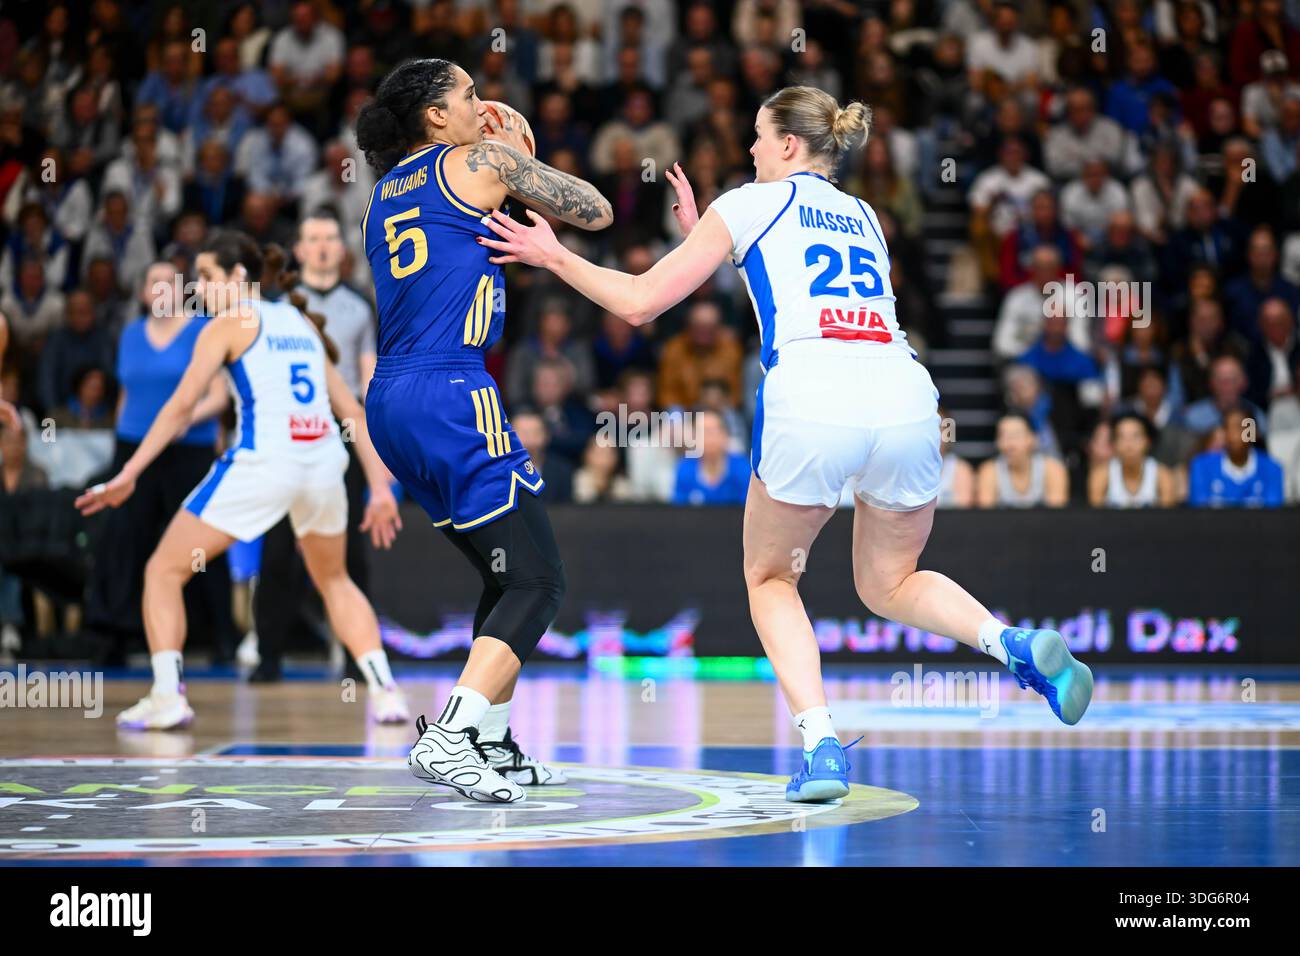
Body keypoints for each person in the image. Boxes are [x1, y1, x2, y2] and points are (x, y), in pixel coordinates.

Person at [480, 85, 1094, 803]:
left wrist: (553, 255)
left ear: (790, 146)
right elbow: (801, 273)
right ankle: (1009, 643)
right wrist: (710, 236)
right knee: (890, 581)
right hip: (905, 395)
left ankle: (822, 746)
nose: (749, 150)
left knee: (772, 580)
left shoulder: (744, 201)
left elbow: (641, 302)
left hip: (812, 395)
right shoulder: (866, 216)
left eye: (758, 137)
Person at [355, 58, 612, 802]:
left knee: (502, 573)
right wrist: (518, 157)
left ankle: (492, 744)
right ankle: (453, 734)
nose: (484, 104)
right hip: (450, 388)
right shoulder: (482, 159)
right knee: (539, 580)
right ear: (436, 115)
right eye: (469, 95)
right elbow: (595, 210)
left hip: (392, 400)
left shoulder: (378, 200)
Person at [75, 231, 409, 729]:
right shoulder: (298, 321)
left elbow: (181, 407)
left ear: (238, 277)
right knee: (335, 580)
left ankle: (168, 696)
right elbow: (351, 413)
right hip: (322, 465)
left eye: (207, 278)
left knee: (163, 571)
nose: (200, 289)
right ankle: (385, 692)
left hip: (265, 464)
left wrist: (129, 471)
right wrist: (379, 487)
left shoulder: (227, 324)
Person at [976, 412, 1070, 507]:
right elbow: (985, 517)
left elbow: (1057, 517)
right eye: (1003, 436)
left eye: (1016, 436)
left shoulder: (1053, 469)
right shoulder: (989, 471)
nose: (1009, 444)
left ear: (1033, 439)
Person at [1088, 413, 1178, 507]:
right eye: (1122, 437)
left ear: (1148, 441)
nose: (1129, 443)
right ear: (1114, 443)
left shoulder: (1162, 474)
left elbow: (1168, 518)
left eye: (1136, 436)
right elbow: (1097, 517)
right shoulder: (1101, 475)